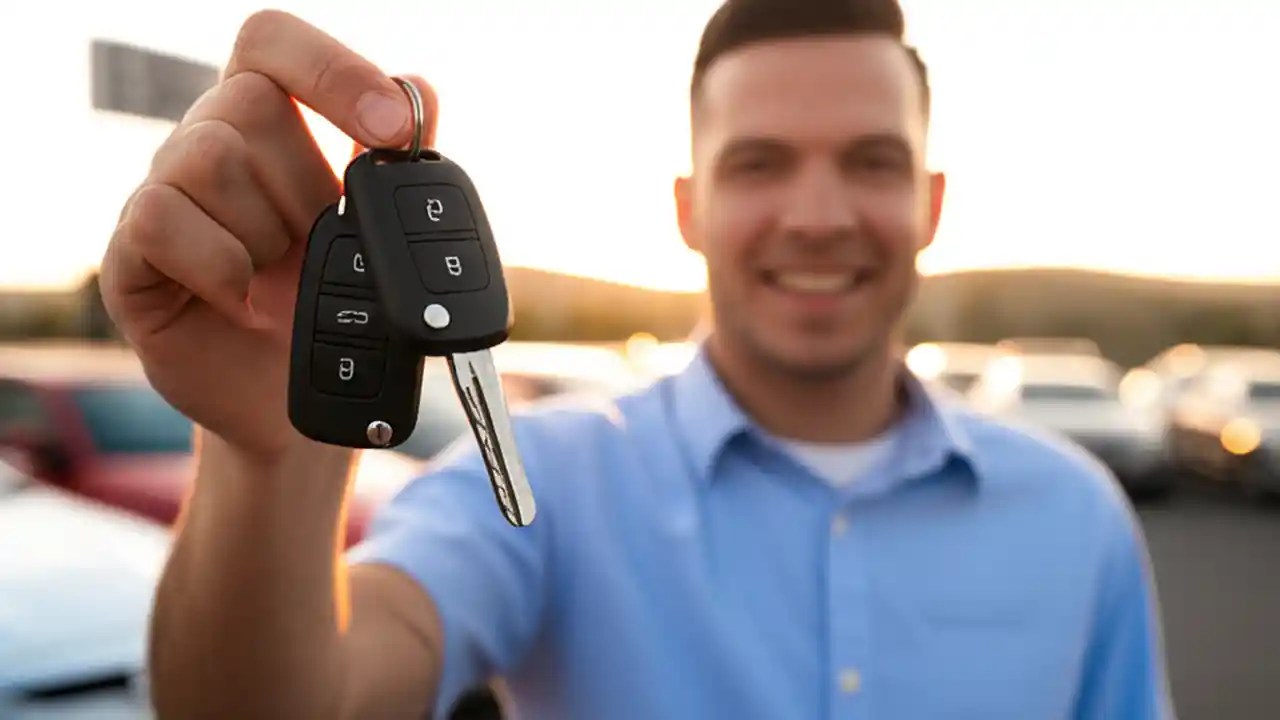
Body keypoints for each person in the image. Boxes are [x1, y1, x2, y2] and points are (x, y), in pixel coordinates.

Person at [100, 0, 1175, 718]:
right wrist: (274, 449)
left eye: (869, 161)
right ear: (687, 208)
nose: (814, 215)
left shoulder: (1076, 521)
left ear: (928, 204)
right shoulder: (542, 484)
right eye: (757, 164)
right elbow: (310, 701)